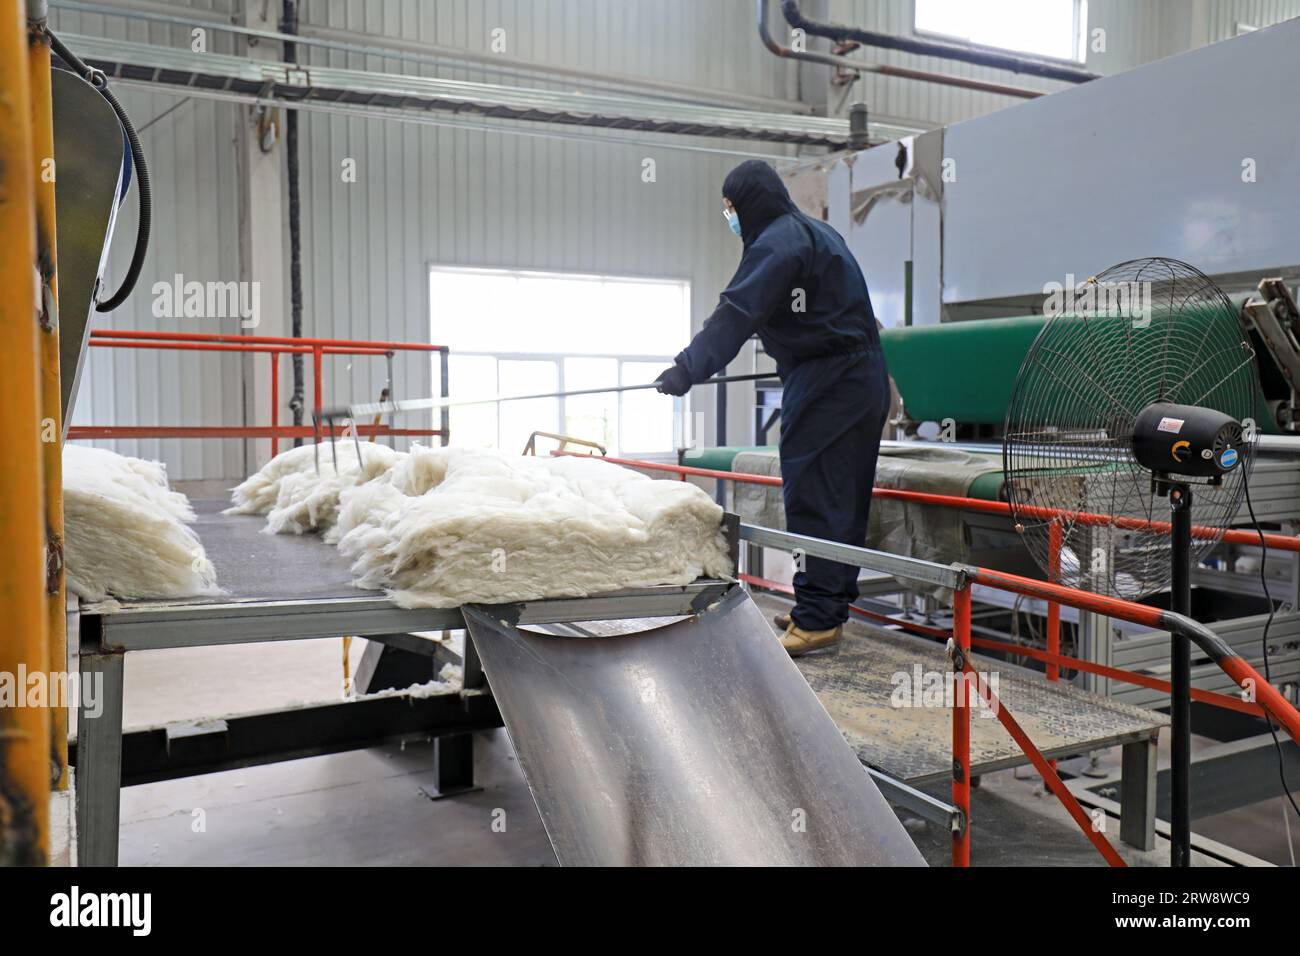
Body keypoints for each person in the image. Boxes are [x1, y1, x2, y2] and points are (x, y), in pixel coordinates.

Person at [655, 160, 890, 657]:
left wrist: (686, 369)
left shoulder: (778, 244)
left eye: (731, 208)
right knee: (842, 498)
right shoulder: (814, 232)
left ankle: (818, 619)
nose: (730, 217)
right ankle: (826, 607)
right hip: (859, 376)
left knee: (814, 498)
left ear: (748, 202)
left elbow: (737, 313)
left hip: (829, 381)